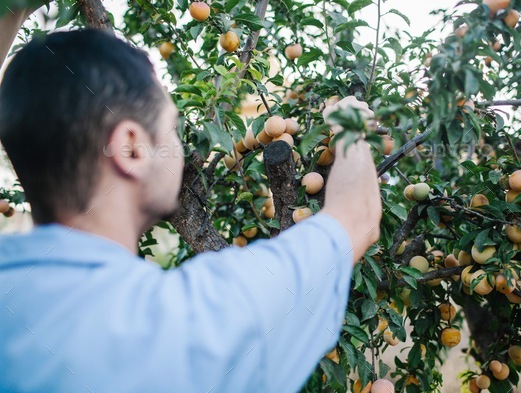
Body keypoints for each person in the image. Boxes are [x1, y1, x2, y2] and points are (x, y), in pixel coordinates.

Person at [0, 16, 381, 393]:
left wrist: (12, 11)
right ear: (132, 148)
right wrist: (350, 125)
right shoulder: (198, 319)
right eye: (172, 130)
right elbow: (356, 217)